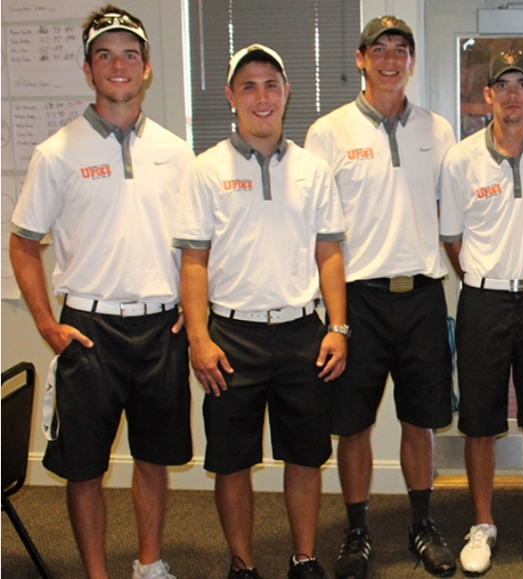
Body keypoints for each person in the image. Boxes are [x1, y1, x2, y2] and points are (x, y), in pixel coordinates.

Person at [8, 6, 193, 579]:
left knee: (153, 457)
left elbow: (194, 246)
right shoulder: (56, 153)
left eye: (129, 55)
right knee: (84, 466)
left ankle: (149, 563)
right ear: (88, 69)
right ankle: (96, 574)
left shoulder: (176, 150)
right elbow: (23, 243)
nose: (119, 65)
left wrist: (194, 309)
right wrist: (45, 324)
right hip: (89, 330)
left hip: (162, 327)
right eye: (105, 55)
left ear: (147, 67)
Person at [174, 44, 348, 579]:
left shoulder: (314, 169)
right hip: (231, 338)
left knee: (305, 456)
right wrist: (198, 339)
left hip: (302, 333)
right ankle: (243, 565)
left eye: (271, 84)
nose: (261, 97)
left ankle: (304, 557)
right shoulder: (205, 170)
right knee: (231, 461)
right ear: (231, 97)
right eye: (248, 86)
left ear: (286, 92)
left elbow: (330, 252)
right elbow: (194, 263)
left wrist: (338, 327)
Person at [304, 15, 457, 579]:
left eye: (401, 49)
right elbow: (319, 229)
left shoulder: (438, 130)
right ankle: (358, 531)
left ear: (411, 60)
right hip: (357, 302)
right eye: (380, 49)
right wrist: (332, 317)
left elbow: (452, 217)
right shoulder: (329, 131)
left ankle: (422, 525)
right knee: (354, 425)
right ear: (362, 58)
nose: (390, 59)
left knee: (421, 422)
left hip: (421, 296)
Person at [439, 51, 523, 575]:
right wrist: (486, 275)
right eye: (503, 84)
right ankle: (483, 524)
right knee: (480, 423)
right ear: (488, 95)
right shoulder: (460, 159)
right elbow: (452, 239)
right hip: (484, 301)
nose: (513, 94)